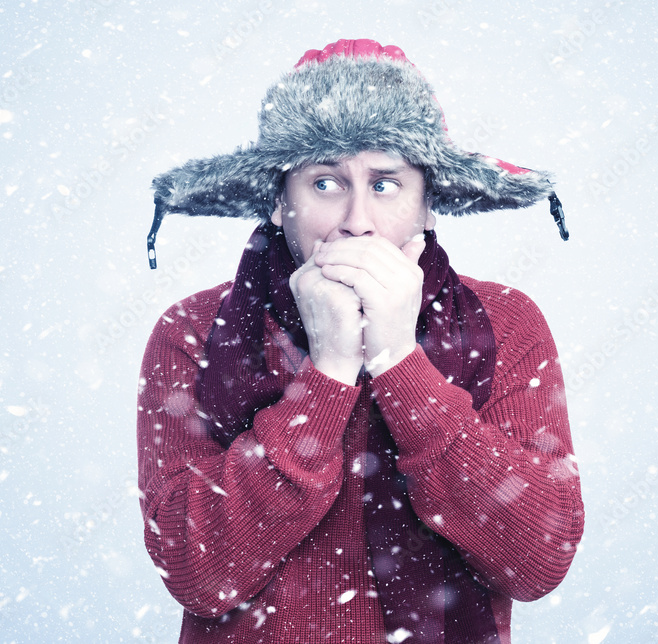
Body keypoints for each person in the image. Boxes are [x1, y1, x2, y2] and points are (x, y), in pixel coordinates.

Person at [137, 39, 583, 644]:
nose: (357, 220)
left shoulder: (505, 323)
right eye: (325, 184)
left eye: (385, 183)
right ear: (278, 202)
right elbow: (196, 572)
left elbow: (536, 559)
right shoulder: (193, 333)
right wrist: (328, 373)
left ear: (429, 205)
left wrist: (400, 361)